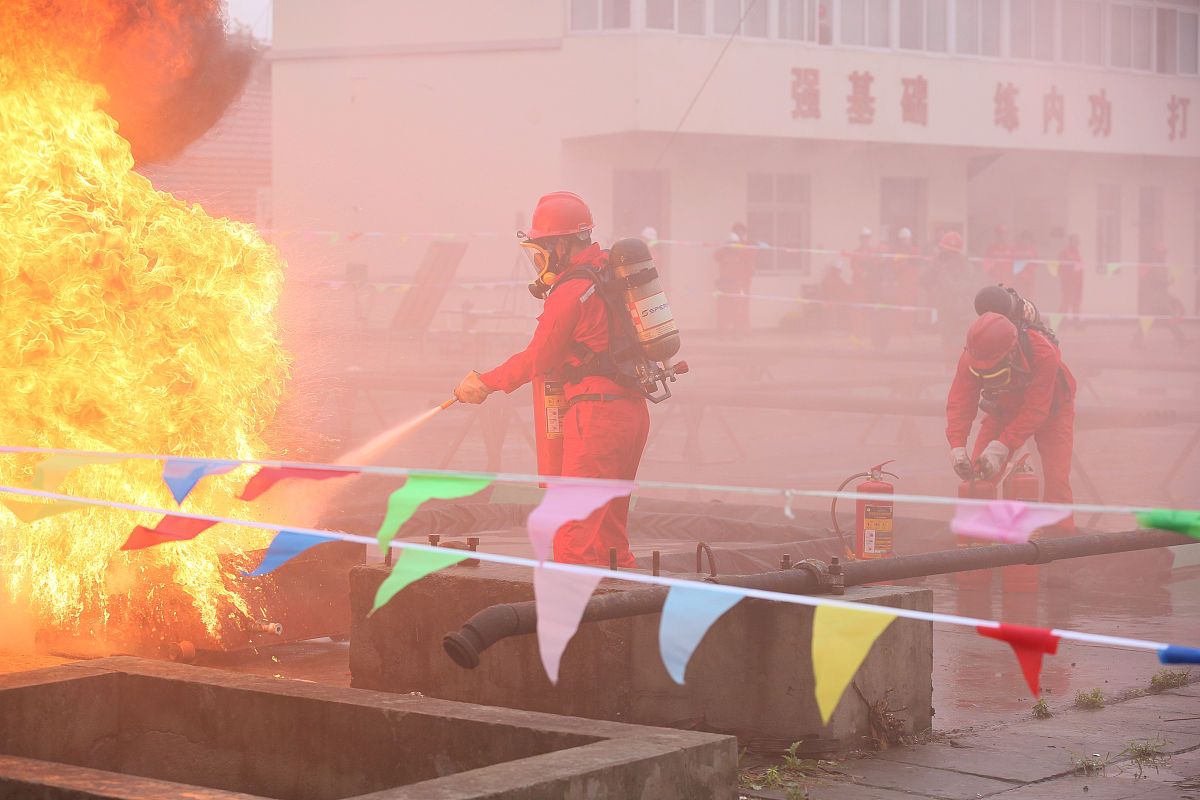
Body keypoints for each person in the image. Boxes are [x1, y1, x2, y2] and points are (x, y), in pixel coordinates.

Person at [453, 191, 649, 566]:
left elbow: (538, 357)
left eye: (541, 252)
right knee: (609, 530)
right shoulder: (609, 273)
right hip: (632, 412)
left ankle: (570, 599)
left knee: (572, 530)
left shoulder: (571, 291)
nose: (540, 263)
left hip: (596, 417)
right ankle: (623, 592)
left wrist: (484, 382)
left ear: (561, 245)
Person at [946, 312, 1077, 535]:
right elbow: (961, 402)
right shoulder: (970, 358)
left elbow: (1036, 410)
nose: (987, 372)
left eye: (993, 368)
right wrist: (957, 445)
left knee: (1057, 478)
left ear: (1012, 351)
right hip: (1004, 406)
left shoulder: (1043, 352)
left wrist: (1002, 446)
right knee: (979, 476)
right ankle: (977, 537)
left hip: (1053, 409)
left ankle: (1060, 537)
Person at [921, 231, 974, 353]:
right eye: (944, 250)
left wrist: (945, 273)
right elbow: (924, 280)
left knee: (959, 340)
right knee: (947, 337)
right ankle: (948, 360)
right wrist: (935, 269)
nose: (946, 255)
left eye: (950, 252)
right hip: (945, 307)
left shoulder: (964, 264)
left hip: (962, 310)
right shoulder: (938, 262)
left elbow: (962, 286)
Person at [714, 222, 755, 334]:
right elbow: (717, 256)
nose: (739, 233)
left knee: (741, 306)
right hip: (727, 281)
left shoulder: (748, 245)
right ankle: (724, 329)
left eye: (741, 231)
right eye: (736, 231)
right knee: (725, 306)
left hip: (743, 281)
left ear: (744, 233)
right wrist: (728, 248)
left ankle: (743, 329)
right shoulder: (727, 246)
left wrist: (737, 249)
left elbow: (749, 256)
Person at [891, 227, 922, 337]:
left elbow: (918, 262)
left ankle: (909, 328)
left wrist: (908, 262)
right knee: (900, 305)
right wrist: (901, 266)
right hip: (901, 284)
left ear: (910, 239)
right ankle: (900, 328)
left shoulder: (915, 251)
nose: (905, 242)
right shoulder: (897, 253)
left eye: (906, 239)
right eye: (903, 240)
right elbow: (893, 266)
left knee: (911, 306)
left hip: (912, 284)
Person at [1057, 234, 1083, 317]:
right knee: (1066, 301)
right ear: (1070, 242)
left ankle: (1076, 320)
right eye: (1075, 241)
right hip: (1068, 282)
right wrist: (1065, 279)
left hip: (1078, 282)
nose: (1077, 243)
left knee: (1076, 302)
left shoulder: (1077, 253)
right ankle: (1061, 321)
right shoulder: (1065, 252)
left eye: (1078, 241)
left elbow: (1079, 268)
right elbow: (1060, 267)